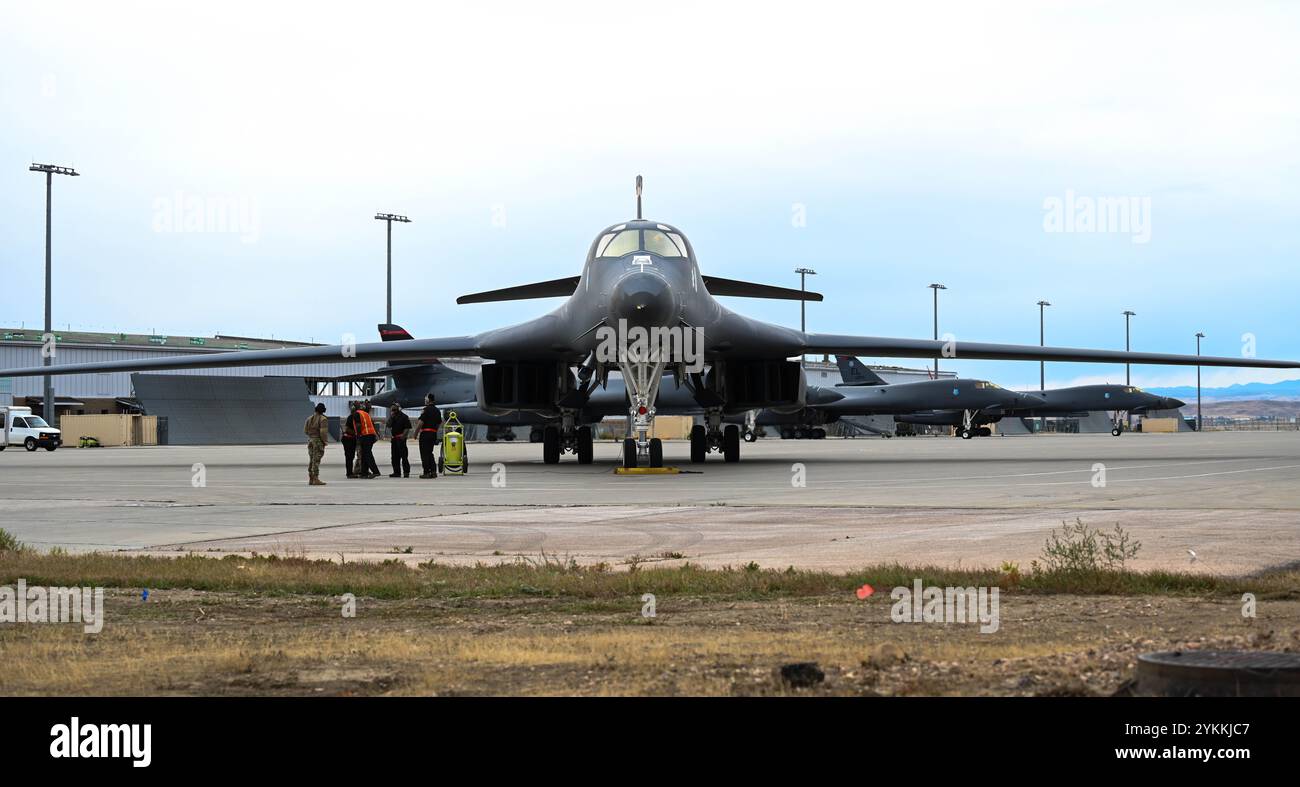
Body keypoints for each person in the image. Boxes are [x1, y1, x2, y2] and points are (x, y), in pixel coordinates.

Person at [415, 393, 443, 479]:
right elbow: (439, 423)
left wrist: (415, 433)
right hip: (433, 434)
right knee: (430, 453)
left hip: (425, 434)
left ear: (428, 400)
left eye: (425, 399)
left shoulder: (426, 410)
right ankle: (433, 471)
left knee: (424, 454)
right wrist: (434, 431)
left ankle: (426, 472)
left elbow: (421, 423)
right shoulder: (437, 410)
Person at [303, 402, 330, 486]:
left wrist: (312, 436)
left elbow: (305, 431)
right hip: (318, 441)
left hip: (311, 440)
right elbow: (323, 432)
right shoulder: (323, 419)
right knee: (316, 460)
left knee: (311, 459)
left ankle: (311, 478)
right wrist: (325, 441)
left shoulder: (309, 418)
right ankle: (316, 478)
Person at [355, 400, 381, 478]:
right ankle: (364, 472)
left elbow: (359, 426)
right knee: (364, 454)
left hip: (365, 435)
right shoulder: (366, 414)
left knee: (367, 454)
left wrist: (358, 437)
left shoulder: (357, 414)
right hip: (370, 435)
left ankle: (375, 471)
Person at [386, 402, 412, 478]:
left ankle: (406, 472)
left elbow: (407, 428)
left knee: (404, 456)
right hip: (394, 439)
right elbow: (388, 425)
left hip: (401, 439)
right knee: (394, 457)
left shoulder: (404, 417)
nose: (393, 410)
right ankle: (396, 472)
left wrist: (403, 436)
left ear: (398, 408)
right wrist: (391, 416)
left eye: (394, 408)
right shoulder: (392, 417)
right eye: (392, 409)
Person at [341, 400, 359, 479]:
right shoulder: (351, 417)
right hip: (348, 439)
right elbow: (347, 429)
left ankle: (350, 472)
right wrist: (356, 433)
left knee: (350, 457)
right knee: (349, 456)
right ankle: (349, 473)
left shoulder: (353, 416)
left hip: (350, 438)